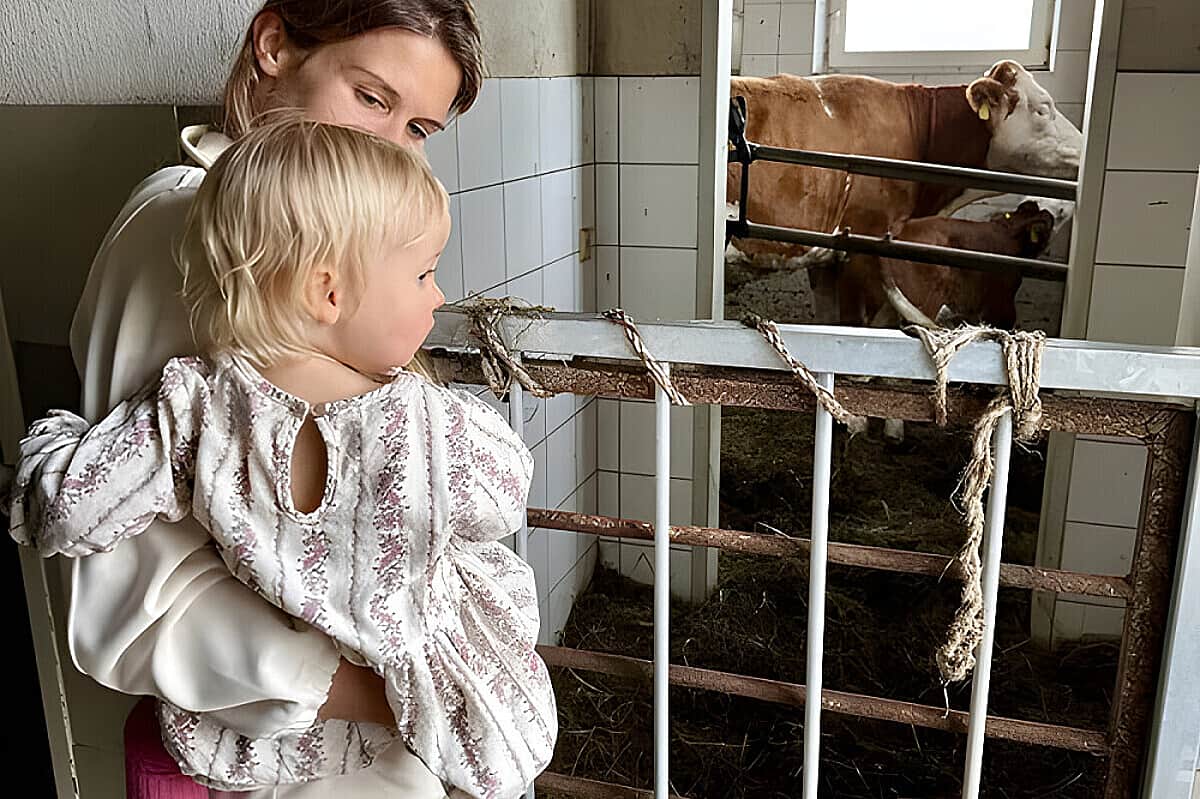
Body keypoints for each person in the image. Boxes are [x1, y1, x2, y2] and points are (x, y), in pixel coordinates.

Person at [11, 115, 558, 799]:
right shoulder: (428, 428)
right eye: (423, 273)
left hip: (263, 744)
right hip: (410, 728)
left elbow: (69, 508)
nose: (438, 295)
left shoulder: (193, 407)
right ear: (327, 293)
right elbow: (508, 488)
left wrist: (56, 440)